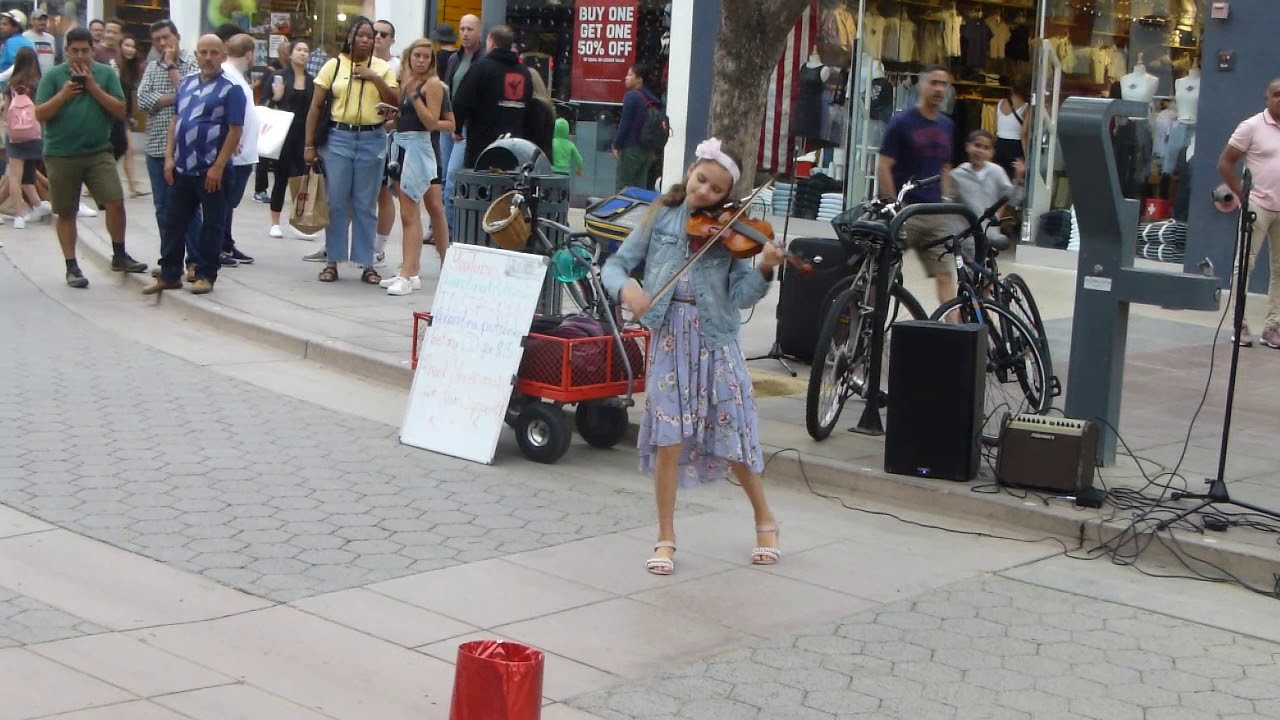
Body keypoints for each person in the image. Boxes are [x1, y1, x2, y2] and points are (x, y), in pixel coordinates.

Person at [601, 138, 783, 576]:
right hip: (669, 342)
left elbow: (740, 297)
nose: (705, 193)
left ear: (727, 196)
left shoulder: (731, 232)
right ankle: (666, 537)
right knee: (668, 441)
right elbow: (615, 265)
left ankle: (766, 521)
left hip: (716, 343)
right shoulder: (662, 215)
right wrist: (630, 290)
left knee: (736, 437)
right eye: (701, 180)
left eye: (716, 190)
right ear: (691, 171)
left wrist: (764, 267)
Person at [35, 26, 147, 288]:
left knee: (115, 201)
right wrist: (63, 95)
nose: (80, 56)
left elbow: (120, 110)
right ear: (67, 51)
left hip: (98, 152)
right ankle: (71, 266)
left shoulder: (106, 74)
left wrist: (93, 87)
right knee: (66, 211)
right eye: (75, 51)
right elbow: (40, 115)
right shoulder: (53, 77)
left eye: (85, 51)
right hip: (61, 154)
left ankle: (119, 254)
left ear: (92, 50)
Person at [141, 34, 244, 296]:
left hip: (212, 171)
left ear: (223, 56)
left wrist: (219, 166)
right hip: (183, 168)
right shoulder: (185, 84)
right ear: (196, 55)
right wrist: (169, 157)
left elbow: (235, 131)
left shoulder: (231, 90)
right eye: (203, 52)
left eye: (214, 53)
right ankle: (169, 274)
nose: (208, 58)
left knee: (212, 225)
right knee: (174, 222)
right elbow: (176, 121)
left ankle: (206, 274)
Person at [303, 16, 398, 285]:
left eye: (373, 36)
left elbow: (394, 101)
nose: (368, 40)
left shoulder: (383, 69)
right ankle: (332, 260)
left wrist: (374, 78)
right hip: (338, 137)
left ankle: (366, 262)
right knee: (336, 202)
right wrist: (309, 145)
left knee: (365, 204)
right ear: (350, 37)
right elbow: (315, 108)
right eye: (362, 35)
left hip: (372, 138)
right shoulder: (333, 66)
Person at [877, 65, 958, 304]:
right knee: (883, 272)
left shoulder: (947, 125)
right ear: (921, 86)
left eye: (944, 84)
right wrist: (893, 205)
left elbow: (945, 167)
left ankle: (953, 331)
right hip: (907, 211)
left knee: (945, 274)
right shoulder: (902, 123)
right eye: (934, 82)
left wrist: (946, 202)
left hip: (934, 212)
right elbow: (883, 166)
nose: (939, 89)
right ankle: (867, 324)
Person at [383, 38, 453, 297]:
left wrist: (414, 95)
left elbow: (432, 122)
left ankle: (411, 272)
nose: (421, 60)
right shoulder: (407, 82)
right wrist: (392, 119)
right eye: (417, 56)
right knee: (415, 210)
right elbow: (406, 120)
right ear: (409, 58)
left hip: (421, 149)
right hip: (403, 147)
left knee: (423, 209)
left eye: (426, 56)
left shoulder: (432, 85)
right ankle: (410, 269)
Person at [1217, 77, 1280, 349]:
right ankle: (1238, 323)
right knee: (1245, 265)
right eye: (1277, 94)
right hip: (1257, 206)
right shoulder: (1252, 126)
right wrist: (1243, 194)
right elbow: (1225, 162)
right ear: (1267, 97)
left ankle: (1273, 326)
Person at [137, 20, 202, 278]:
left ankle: (194, 261)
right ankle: (169, 260)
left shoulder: (194, 64)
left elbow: (194, 95)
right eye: (157, 40)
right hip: (156, 147)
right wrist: (176, 98)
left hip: (186, 150)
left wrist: (174, 69)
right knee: (163, 207)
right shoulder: (152, 68)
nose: (163, 44)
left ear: (177, 37)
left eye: (167, 38)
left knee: (189, 207)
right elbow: (143, 100)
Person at [452, 24, 533, 169]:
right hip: (514, 142)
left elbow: (462, 100)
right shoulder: (524, 72)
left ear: (492, 42)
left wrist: (457, 128)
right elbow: (529, 103)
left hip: (482, 139)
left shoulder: (481, 68)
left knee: (479, 182)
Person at [216, 33, 259, 266]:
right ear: (249, 54)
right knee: (224, 201)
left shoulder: (237, 77)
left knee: (229, 202)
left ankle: (226, 242)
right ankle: (218, 245)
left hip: (244, 152)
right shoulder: (228, 76)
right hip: (235, 152)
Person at [266, 40, 313, 238]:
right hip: (284, 131)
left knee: (302, 178)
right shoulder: (280, 77)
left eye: (306, 51)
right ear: (291, 54)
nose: (303, 54)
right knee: (281, 177)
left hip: (304, 132)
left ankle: (298, 222)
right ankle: (275, 222)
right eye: (299, 50)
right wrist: (277, 97)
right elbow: (266, 103)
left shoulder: (313, 80)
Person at [440, 14, 483, 232]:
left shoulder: (483, 60)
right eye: (462, 29)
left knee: (452, 181)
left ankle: (454, 232)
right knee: (441, 179)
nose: (465, 33)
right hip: (448, 124)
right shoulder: (454, 59)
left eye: (470, 29)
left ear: (479, 32)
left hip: (465, 127)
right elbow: (448, 90)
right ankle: (443, 230)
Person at [951, 129, 1024, 253]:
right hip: (965, 238)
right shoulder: (957, 175)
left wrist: (1018, 180)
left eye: (986, 148)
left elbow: (1012, 199)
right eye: (977, 145)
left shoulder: (997, 172)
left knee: (986, 270)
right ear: (968, 146)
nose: (980, 151)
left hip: (989, 237)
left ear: (992, 152)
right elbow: (948, 205)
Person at [4, 47, 51, 227]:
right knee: (29, 173)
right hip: (35, 133)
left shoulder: (12, 85)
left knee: (15, 176)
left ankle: (18, 216)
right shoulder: (39, 83)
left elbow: (7, 112)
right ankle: (38, 205)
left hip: (16, 135)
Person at [372, 18, 401, 265]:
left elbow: (402, 106)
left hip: (387, 139)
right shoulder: (361, 62)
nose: (378, 37)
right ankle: (335, 246)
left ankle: (379, 248)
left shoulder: (397, 67)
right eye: (375, 33)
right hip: (360, 135)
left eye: (384, 34)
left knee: (384, 192)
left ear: (392, 39)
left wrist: (390, 124)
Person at [611, 62, 661, 191]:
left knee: (623, 187)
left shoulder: (632, 96)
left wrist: (617, 145)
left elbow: (625, 122)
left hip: (631, 149)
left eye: (630, 75)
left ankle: (620, 211)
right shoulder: (653, 99)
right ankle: (638, 211)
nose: (626, 78)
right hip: (648, 151)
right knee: (640, 188)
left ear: (639, 79)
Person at [117, 34, 145, 197]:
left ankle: (132, 186)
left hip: (124, 115)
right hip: (115, 113)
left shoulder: (133, 68)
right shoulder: (116, 67)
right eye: (126, 45)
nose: (130, 49)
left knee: (129, 150)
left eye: (132, 46)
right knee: (126, 149)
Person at [994, 84, 1029, 180]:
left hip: (1000, 144)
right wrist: (1027, 157)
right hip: (1016, 146)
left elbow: (996, 129)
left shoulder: (1000, 103)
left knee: (999, 176)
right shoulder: (1026, 107)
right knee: (1015, 178)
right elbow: (1024, 134)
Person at [0, 10, 36, 75]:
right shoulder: (28, 42)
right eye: (1, 23)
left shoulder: (12, 42)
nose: (1, 27)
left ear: (16, 27)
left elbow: (17, 67)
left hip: (11, 83)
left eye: (5, 24)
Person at [22, 9, 55, 74]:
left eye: (45, 20)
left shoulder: (51, 38)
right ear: (32, 21)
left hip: (48, 78)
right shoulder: (25, 36)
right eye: (40, 19)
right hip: (32, 78)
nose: (43, 22)